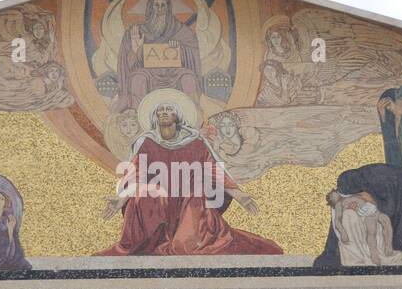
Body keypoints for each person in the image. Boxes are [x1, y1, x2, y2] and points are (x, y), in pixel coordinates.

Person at [99, 90, 281, 256]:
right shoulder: (147, 143)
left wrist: (240, 195)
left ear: (177, 115)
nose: (163, 112)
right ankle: (151, 241)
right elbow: (136, 175)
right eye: (159, 110)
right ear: (154, 117)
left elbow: (213, 171)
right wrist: (120, 199)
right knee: (146, 195)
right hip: (158, 202)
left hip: (188, 200)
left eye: (168, 109)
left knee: (194, 205)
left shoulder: (195, 143)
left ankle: (186, 239)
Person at [113, 0, 203, 112]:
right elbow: (127, 65)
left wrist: (180, 49)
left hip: (174, 73)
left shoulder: (181, 30)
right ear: (150, 8)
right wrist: (135, 50)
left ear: (168, 8)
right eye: (156, 5)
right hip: (147, 73)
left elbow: (192, 53)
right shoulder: (138, 31)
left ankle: (191, 115)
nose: (160, 9)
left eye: (163, 5)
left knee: (188, 78)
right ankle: (140, 116)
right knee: (137, 79)